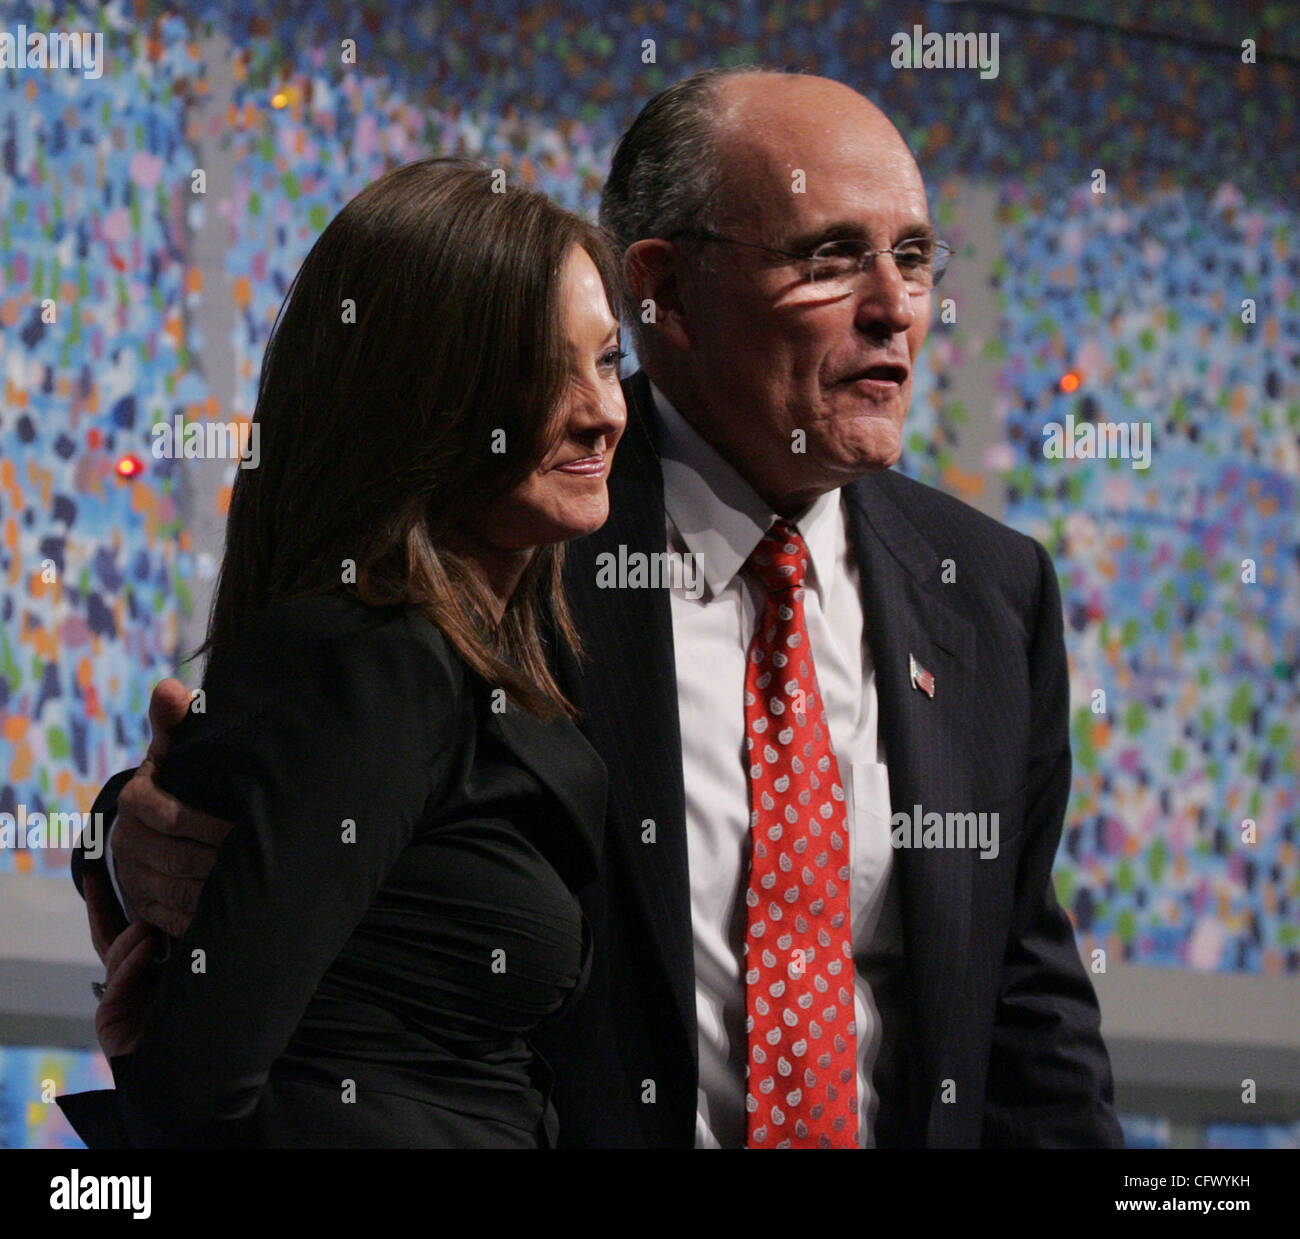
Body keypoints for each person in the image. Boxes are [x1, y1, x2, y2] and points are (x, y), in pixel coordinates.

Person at [75, 69, 1123, 1149]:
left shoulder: (992, 592)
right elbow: (315, 753)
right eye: (830, 257)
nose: (896, 305)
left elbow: (1025, 1009)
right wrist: (127, 838)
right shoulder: (511, 532)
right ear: (662, 289)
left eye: (911, 256)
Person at [57, 156, 628, 1147]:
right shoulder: (376, 660)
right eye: (546, 369)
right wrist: (120, 837)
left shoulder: (476, 651)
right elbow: (199, 1100)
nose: (603, 410)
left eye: (609, 359)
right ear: (427, 394)